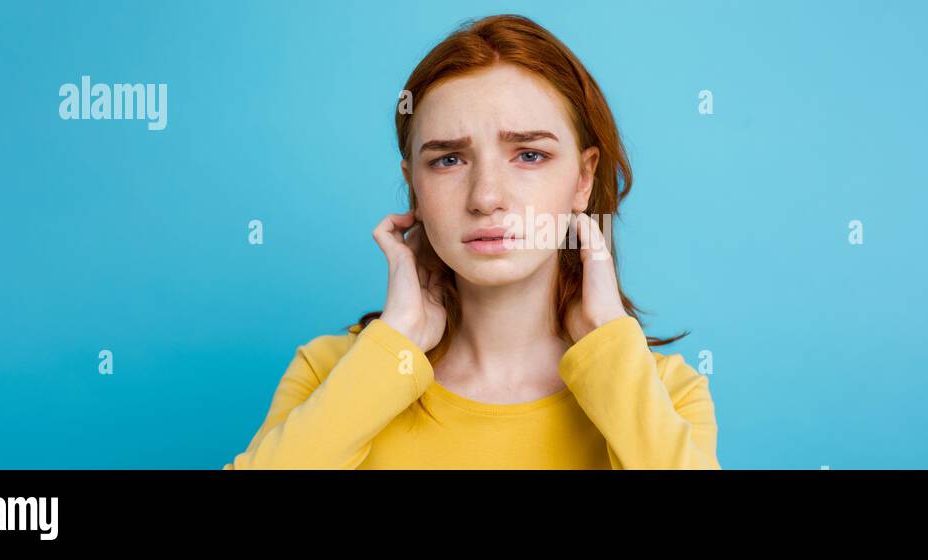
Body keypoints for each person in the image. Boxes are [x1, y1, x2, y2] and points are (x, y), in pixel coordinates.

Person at [225, 14, 719, 469]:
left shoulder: (666, 393)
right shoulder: (331, 372)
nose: (486, 198)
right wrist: (392, 348)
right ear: (413, 184)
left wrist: (609, 349)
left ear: (583, 179)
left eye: (528, 155)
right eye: (448, 160)